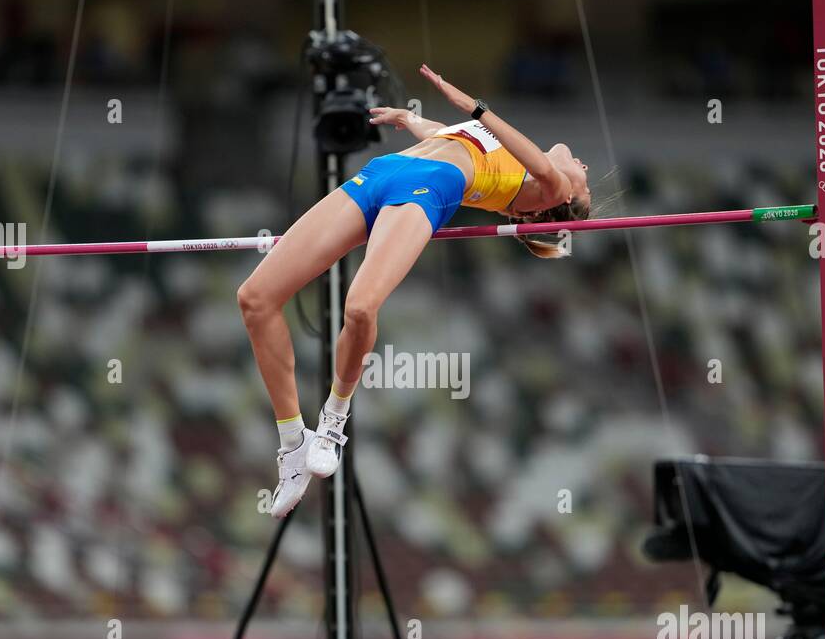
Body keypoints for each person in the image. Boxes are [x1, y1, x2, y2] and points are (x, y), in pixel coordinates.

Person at [237, 64, 592, 517]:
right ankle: (293, 444)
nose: (581, 166)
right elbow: (452, 137)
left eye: (583, 178)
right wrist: (411, 121)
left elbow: (539, 161)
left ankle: (331, 424)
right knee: (255, 298)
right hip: (385, 171)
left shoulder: (548, 188)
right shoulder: (501, 153)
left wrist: (476, 107)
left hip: (426, 189)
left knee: (361, 308)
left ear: (555, 209)